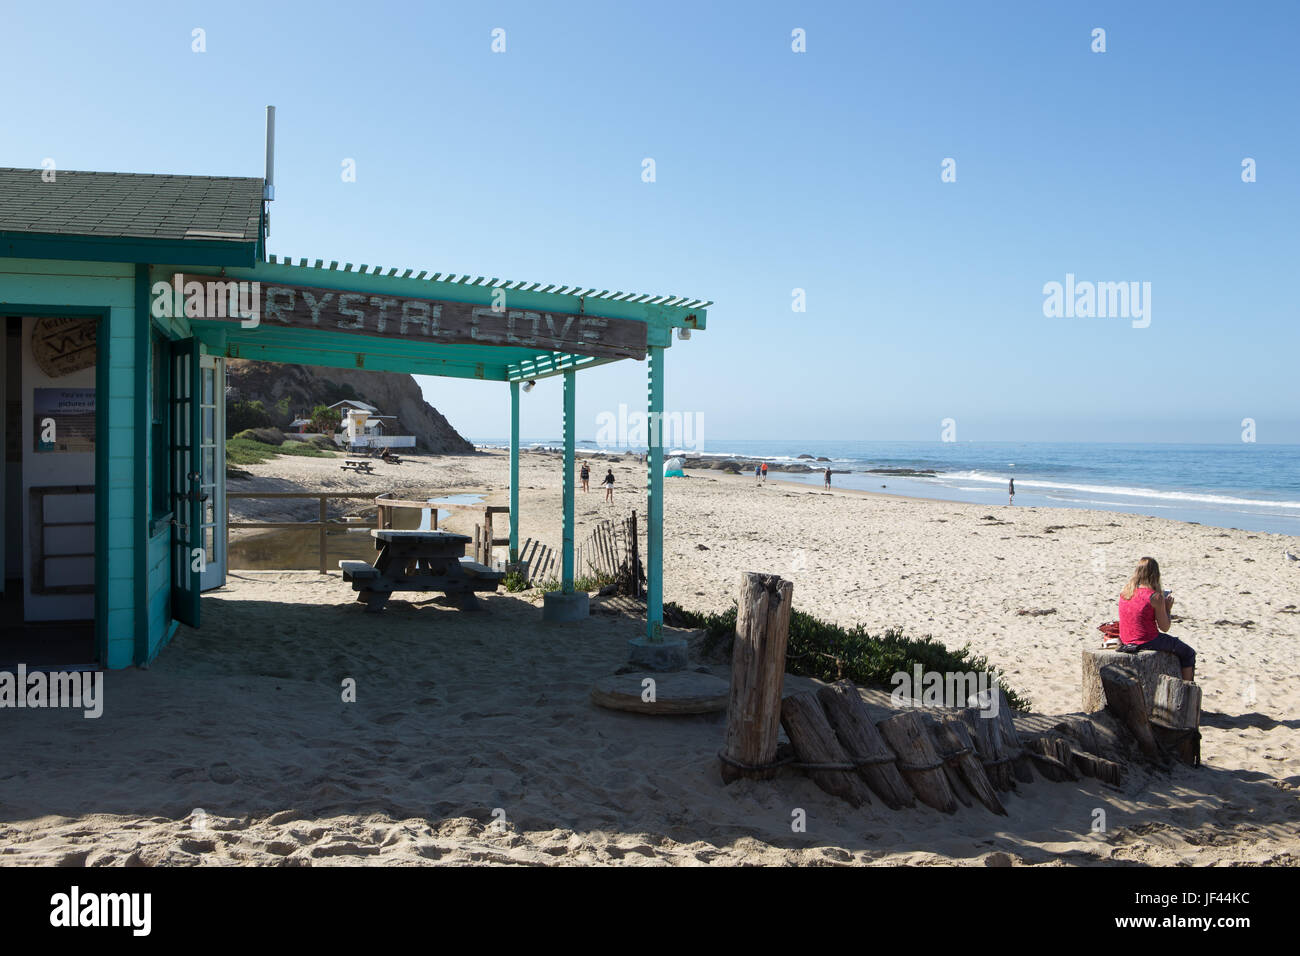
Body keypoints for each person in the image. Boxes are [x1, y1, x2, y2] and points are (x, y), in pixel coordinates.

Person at [1117, 557, 1196, 680]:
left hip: (1126, 639)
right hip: (1146, 640)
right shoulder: (1155, 597)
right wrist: (1167, 608)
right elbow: (1165, 627)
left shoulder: (1125, 593)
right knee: (1188, 653)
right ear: (1156, 575)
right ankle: (1188, 687)